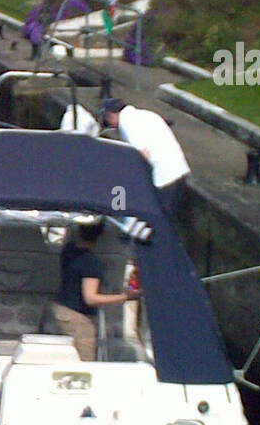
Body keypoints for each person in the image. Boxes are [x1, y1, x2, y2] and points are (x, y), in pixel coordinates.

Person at [51, 220, 140, 362]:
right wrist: (124, 297)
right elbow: (90, 298)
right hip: (77, 316)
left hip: (60, 309)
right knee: (86, 360)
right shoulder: (90, 262)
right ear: (100, 236)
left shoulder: (69, 250)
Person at [98, 98, 191, 218]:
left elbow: (142, 154)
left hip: (164, 177)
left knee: (159, 219)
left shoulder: (127, 124)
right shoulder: (146, 114)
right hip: (179, 169)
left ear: (110, 115)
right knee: (168, 218)